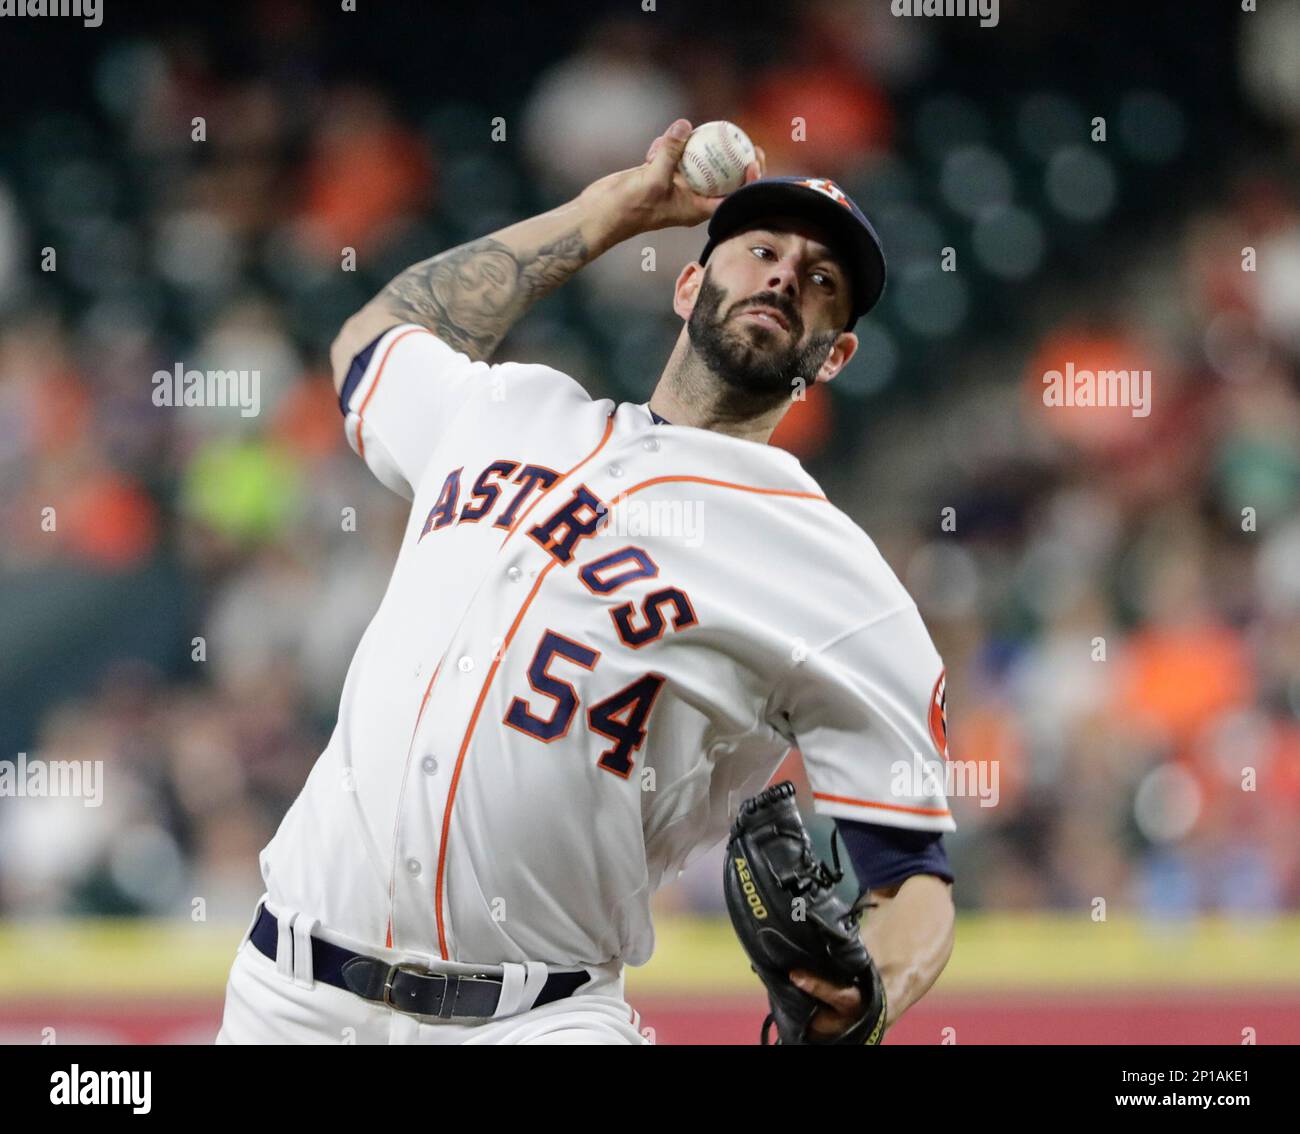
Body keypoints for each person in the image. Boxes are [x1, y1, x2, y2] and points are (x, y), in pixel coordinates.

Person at [217, 118, 955, 1045]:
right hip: (290, 991)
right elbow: (371, 342)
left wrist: (874, 995)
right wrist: (602, 216)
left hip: (539, 1019)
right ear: (690, 282)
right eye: (761, 250)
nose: (782, 278)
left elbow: (913, 878)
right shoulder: (509, 408)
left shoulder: (837, 578)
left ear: (833, 355)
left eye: (821, 282)